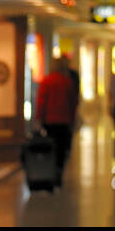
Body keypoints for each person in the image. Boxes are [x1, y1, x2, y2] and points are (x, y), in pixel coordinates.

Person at [35, 57, 77, 188]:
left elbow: (41, 101)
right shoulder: (67, 82)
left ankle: (50, 172)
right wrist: (72, 119)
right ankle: (58, 172)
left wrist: (38, 118)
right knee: (61, 148)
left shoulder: (47, 81)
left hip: (49, 120)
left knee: (50, 147)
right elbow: (72, 103)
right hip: (64, 120)